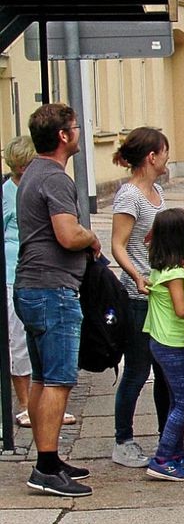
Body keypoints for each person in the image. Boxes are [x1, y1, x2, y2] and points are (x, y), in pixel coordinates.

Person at [15, 104, 100, 497]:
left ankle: (48, 457)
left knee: (42, 376)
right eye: (75, 127)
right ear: (64, 136)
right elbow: (67, 235)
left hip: (30, 285)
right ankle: (46, 466)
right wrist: (91, 236)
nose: (79, 132)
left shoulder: (31, 172)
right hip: (53, 289)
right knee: (60, 378)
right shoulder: (55, 178)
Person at [109, 128, 184, 467]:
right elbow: (118, 244)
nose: (167, 158)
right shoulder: (130, 196)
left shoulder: (157, 191)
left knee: (166, 375)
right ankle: (123, 440)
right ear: (152, 156)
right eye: (165, 152)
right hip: (139, 296)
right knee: (137, 370)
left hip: (159, 292)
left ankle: (171, 439)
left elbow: (158, 238)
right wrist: (137, 276)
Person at [5, 136, 79, 430]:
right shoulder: (12, 191)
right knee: (22, 345)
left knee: (45, 360)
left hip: (32, 276)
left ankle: (46, 426)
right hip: (22, 275)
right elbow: (66, 234)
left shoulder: (36, 184)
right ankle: (25, 407)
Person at [142, 207, 184, 481]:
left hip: (161, 342)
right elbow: (181, 309)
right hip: (171, 344)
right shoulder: (176, 275)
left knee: (175, 401)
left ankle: (177, 456)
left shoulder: (162, 270)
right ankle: (163, 457)